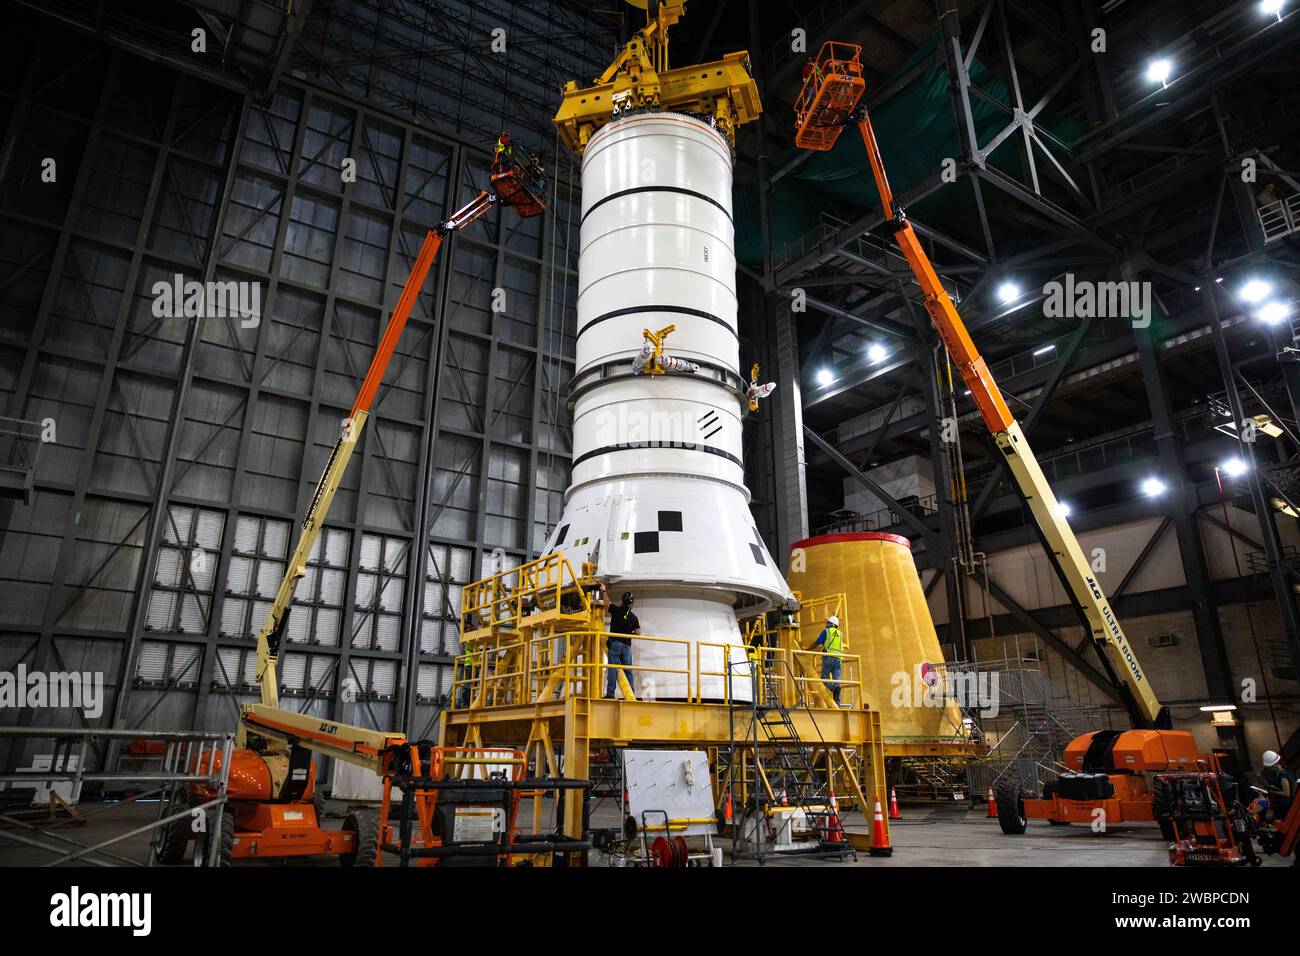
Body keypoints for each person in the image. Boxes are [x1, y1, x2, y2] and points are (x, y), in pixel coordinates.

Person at [604, 591, 640, 699]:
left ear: (622, 601)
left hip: (614, 644)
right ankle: (631, 694)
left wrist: (604, 590)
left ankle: (610, 694)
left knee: (612, 669)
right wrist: (629, 633)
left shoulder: (616, 610)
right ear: (631, 603)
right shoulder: (633, 617)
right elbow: (638, 632)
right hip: (626, 646)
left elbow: (606, 602)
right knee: (628, 670)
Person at [810, 614, 845, 706]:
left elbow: (817, 643)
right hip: (839, 660)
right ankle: (837, 705)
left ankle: (833, 688)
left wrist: (806, 651)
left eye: (828, 622)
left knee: (824, 679)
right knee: (837, 682)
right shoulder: (840, 634)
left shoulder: (827, 632)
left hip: (829, 658)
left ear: (832, 624)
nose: (827, 624)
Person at [1261, 750, 1295, 821]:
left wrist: (1272, 791)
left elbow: (1286, 793)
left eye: (1270, 766)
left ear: (1275, 764)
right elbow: (1281, 788)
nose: (1269, 768)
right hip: (1279, 806)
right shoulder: (1277, 774)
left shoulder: (1283, 776)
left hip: (1284, 807)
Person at [455, 643, 482, 709]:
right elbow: (474, 651)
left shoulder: (475, 644)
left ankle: (469, 702)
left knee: (472, 685)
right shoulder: (470, 641)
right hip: (471, 665)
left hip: (474, 665)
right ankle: (465, 703)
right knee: (468, 685)